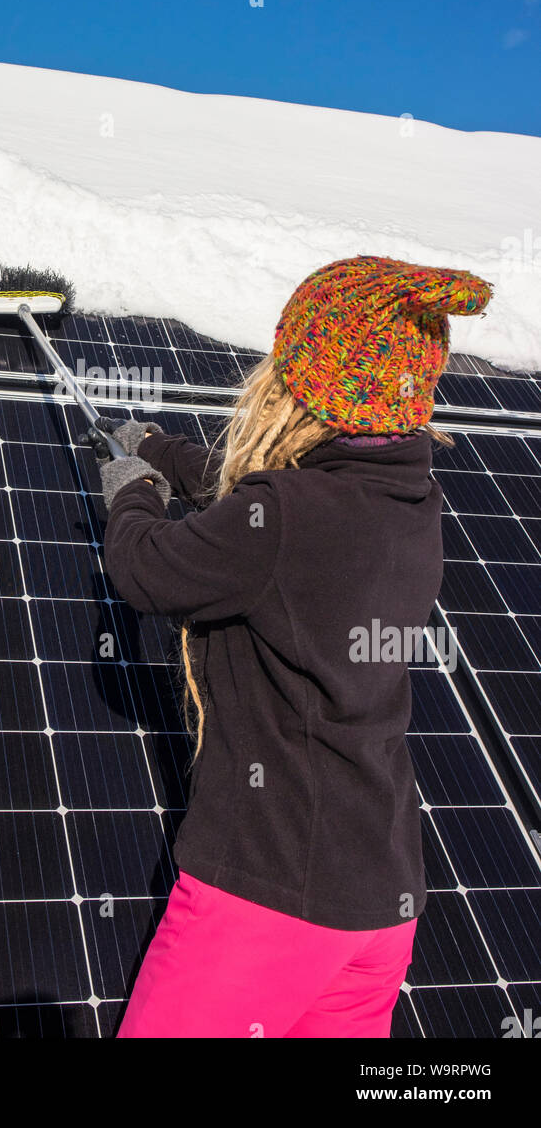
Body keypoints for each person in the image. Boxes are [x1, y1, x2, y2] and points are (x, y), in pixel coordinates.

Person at [78, 254, 492, 1039]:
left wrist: (129, 489)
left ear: (301, 378)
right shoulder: (410, 500)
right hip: (380, 900)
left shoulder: (288, 514)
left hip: (270, 897)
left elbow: (147, 570)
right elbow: (259, 508)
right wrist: (161, 450)